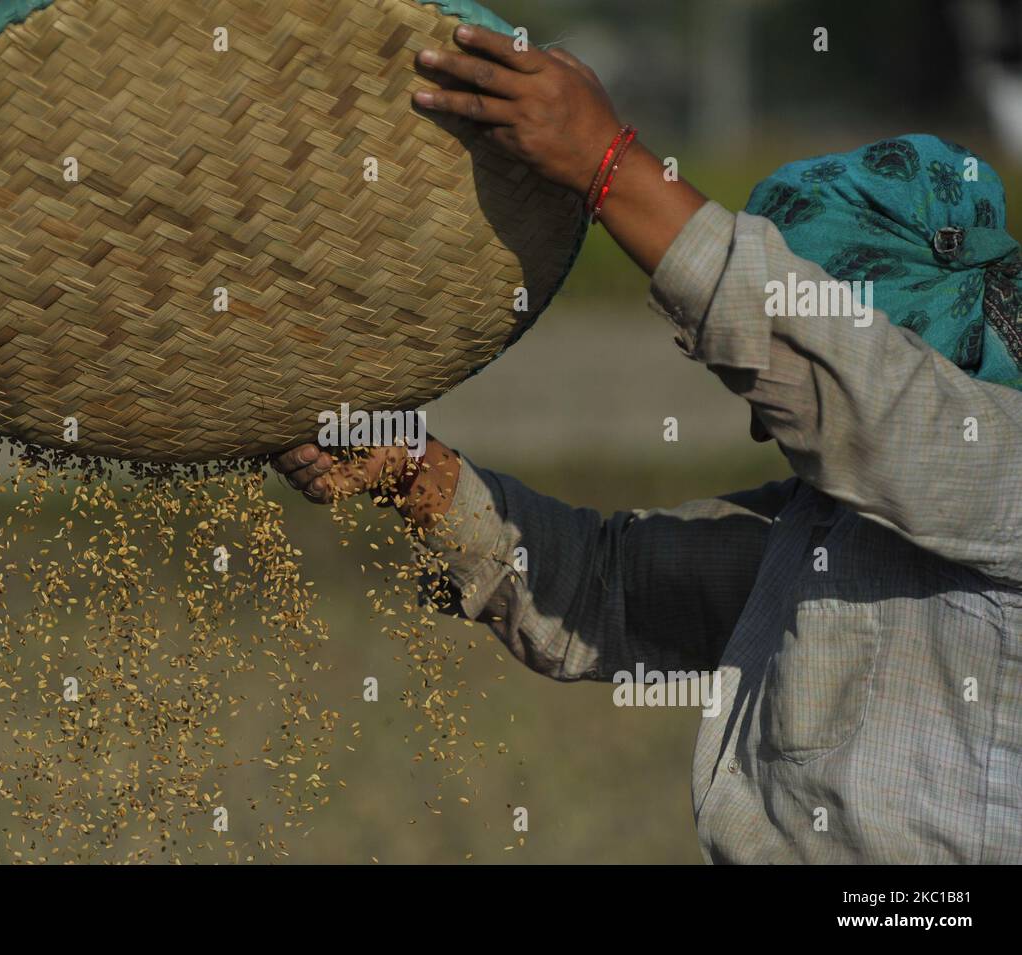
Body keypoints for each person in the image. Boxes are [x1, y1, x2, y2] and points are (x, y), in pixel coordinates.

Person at [271, 23, 1022, 864]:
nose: (760, 417)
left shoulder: (999, 468)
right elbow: (609, 585)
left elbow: (839, 381)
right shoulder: (823, 533)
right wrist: (414, 471)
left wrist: (606, 162)